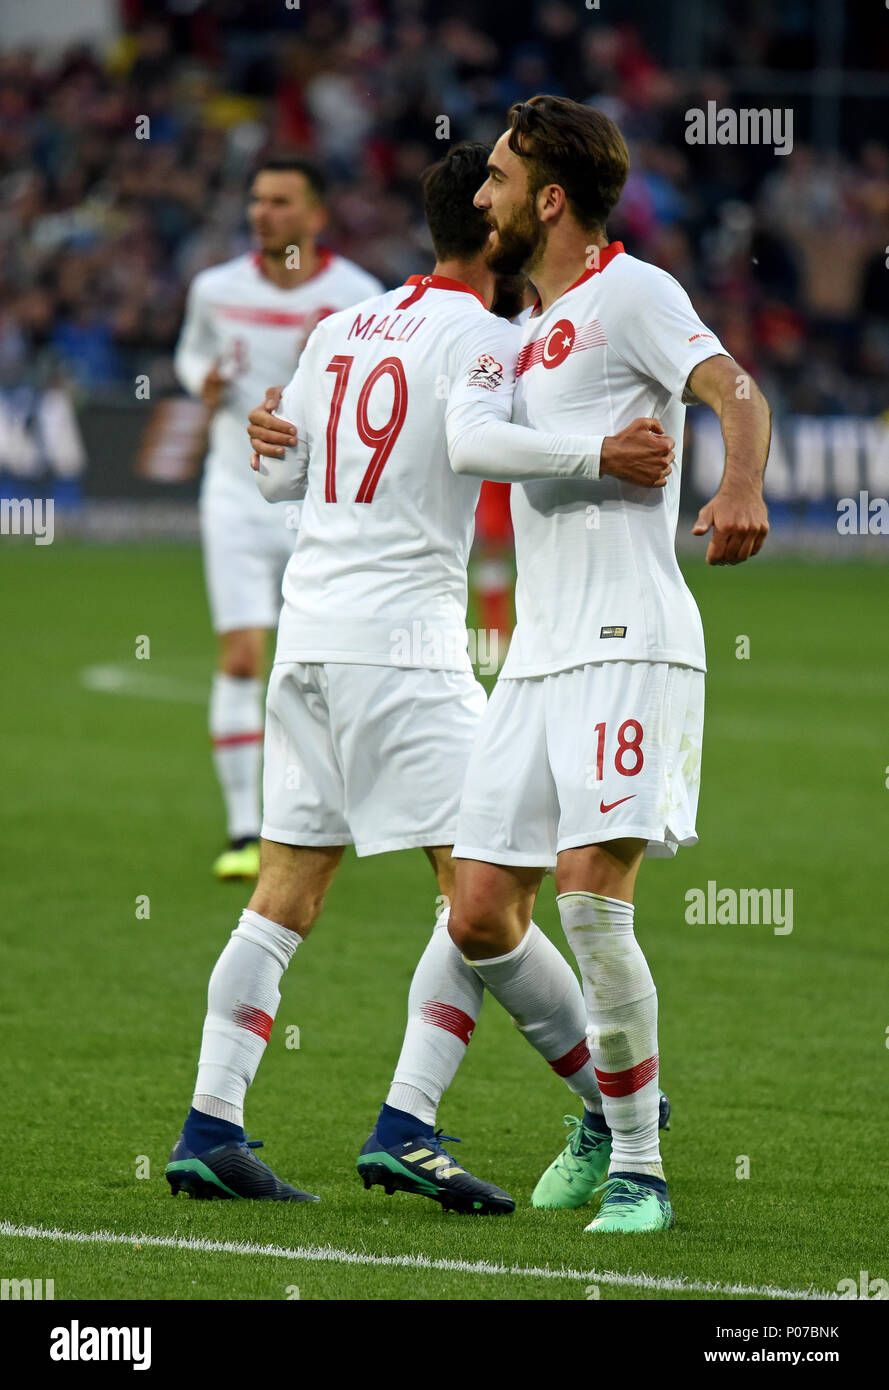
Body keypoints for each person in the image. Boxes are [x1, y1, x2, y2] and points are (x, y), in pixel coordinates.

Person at [166, 141, 673, 1207]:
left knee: (283, 893)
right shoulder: (487, 339)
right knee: (480, 893)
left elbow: (280, 473)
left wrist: (269, 436)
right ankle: (551, 1102)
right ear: (492, 233)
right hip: (402, 650)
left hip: (308, 639)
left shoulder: (340, 326)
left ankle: (210, 1124)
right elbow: (477, 441)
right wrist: (598, 456)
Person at [360, 95, 770, 1235]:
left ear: (548, 196)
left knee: (591, 898)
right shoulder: (516, 323)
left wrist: (736, 483)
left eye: (494, 177)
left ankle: (637, 1164)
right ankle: (605, 1100)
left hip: (630, 642)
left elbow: (734, 385)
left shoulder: (632, 295)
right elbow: (472, 441)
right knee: (481, 910)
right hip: (533, 659)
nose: (474, 195)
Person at [174, 156, 382, 880]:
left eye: (281, 201)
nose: (263, 213)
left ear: (316, 215)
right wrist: (195, 378)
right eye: (257, 200)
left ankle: (326, 817)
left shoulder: (358, 298)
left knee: (324, 662)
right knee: (240, 657)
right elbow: (191, 350)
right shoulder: (215, 288)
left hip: (315, 507)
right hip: (234, 493)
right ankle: (242, 832)